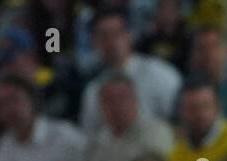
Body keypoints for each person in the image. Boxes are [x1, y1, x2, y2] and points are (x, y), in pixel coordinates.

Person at [77, 9, 181, 137]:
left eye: (116, 34)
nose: (110, 42)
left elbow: (181, 122)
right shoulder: (93, 90)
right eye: (103, 36)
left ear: (129, 35)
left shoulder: (161, 73)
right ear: (94, 42)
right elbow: (90, 137)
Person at [78, 73, 175, 161]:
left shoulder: (156, 132)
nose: (116, 105)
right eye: (108, 100)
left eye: (122, 98)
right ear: (100, 106)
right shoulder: (96, 141)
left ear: (135, 101)